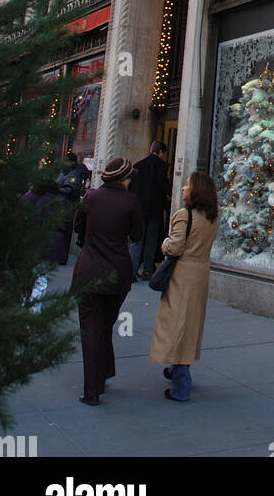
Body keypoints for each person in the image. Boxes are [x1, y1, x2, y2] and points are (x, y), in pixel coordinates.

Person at [71, 157, 143, 407]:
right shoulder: (131, 201)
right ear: (123, 178)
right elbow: (137, 235)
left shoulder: (90, 198)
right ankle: (101, 374)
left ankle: (94, 387)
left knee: (91, 329)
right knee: (105, 324)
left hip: (89, 271)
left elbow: (77, 225)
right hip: (116, 273)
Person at [149, 172, 218, 403]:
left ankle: (181, 379)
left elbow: (175, 247)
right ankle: (179, 365)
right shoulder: (211, 218)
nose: (182, 188)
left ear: (195, 190)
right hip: (200, 274)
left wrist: (165, 242)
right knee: (189, 323)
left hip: (182, 275)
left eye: (187, 185)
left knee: (176, 322)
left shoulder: (184, 216)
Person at [129, 140, 169, 279]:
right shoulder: (161, 165)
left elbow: (131, 187)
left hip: (139, 208)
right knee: (151, 241)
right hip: (154, 209)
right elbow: (162, 185)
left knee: (136, 240)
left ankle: (131, 271)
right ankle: (147, 270)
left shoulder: (138, 165)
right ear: (161, 152)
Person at [21, 169, 73, 265]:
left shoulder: (31, 197)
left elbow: (22, 214)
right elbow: (68, 220)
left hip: (33, 246)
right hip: (56, 248)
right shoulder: (62, 200)